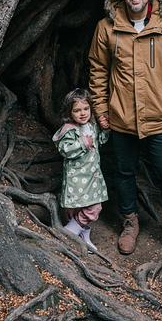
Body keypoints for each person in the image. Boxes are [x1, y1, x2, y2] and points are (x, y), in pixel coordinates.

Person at [88, 0, 162, 262]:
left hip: (161, 118)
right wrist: (101, 109)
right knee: (123, 173)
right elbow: (97, 71)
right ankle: (130, 222)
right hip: (121, 118)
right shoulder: (106, 27)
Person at [52, 88, 109, 250]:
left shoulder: (91, 126)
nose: (82, 113)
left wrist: (105, 129)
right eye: (77, 110)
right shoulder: (69, 129)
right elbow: (65, 150)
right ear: (69, 113)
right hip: (76, 178)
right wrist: (83, 143)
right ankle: (69, 233)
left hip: (92, 177)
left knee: (91, 207)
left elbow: (100, 141)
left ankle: (79, 234)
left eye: (86, 109)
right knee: (82, 208)